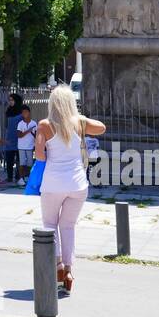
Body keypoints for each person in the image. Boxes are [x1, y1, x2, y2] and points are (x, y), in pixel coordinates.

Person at [34, 84, 106, 293]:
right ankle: (68, 269)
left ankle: (57, 266)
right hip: (78, 184)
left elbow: (39, 155)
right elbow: (101, 128)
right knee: (68, 226)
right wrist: (81, 121)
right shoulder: (80, 123)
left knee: (50, 224)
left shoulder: (44, 125)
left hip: (53, 183)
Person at [2, 92, 23, 186]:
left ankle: (18, 176)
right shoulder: (8, 111)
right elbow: (6, 125)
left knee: (19, 160)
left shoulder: (22, 112)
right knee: (9, 159)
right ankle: (9, 177)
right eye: (9, 100)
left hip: (19, 139)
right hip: (9, 139)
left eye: (12, 100)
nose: (10, 102)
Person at [16, 103, 38, 183]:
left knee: (30, 163)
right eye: (23, 112)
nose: (24, 114)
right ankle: (21, 179)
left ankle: (29, 178)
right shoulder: (20, 123)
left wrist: (32, 133)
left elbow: (36, 135)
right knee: (22, 163)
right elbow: (19, 135)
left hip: (30, 146)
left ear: (29, 112)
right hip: (21, 146)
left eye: (26, 112)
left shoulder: (34, 123)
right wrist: (28, 131)